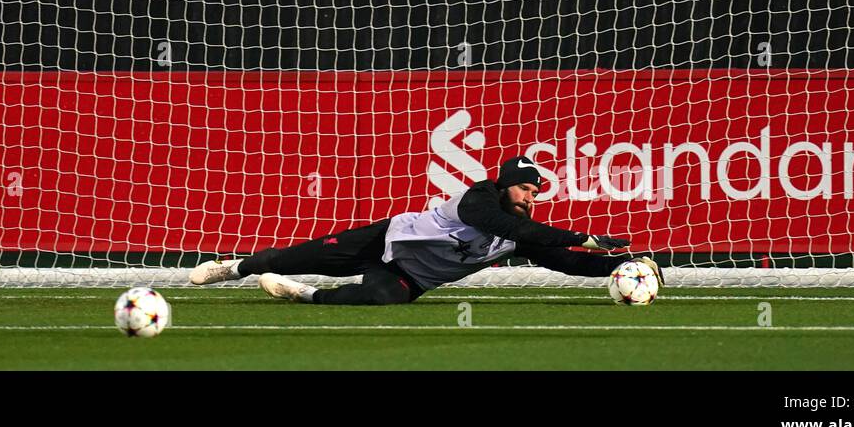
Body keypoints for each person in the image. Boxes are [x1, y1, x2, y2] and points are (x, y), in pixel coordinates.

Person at [191, 156, 662, 303]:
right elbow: (494, 223)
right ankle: (232, 268)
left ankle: (303, 295)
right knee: (291, 256)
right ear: (504, 185)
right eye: (524, 189)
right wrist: (580, 236)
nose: (530, 199)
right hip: (387, 239)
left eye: (536, 194)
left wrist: (624, 264)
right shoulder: (479, 199)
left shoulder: (522, 232)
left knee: (381, 299)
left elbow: (563, 261)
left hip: (410, 277)